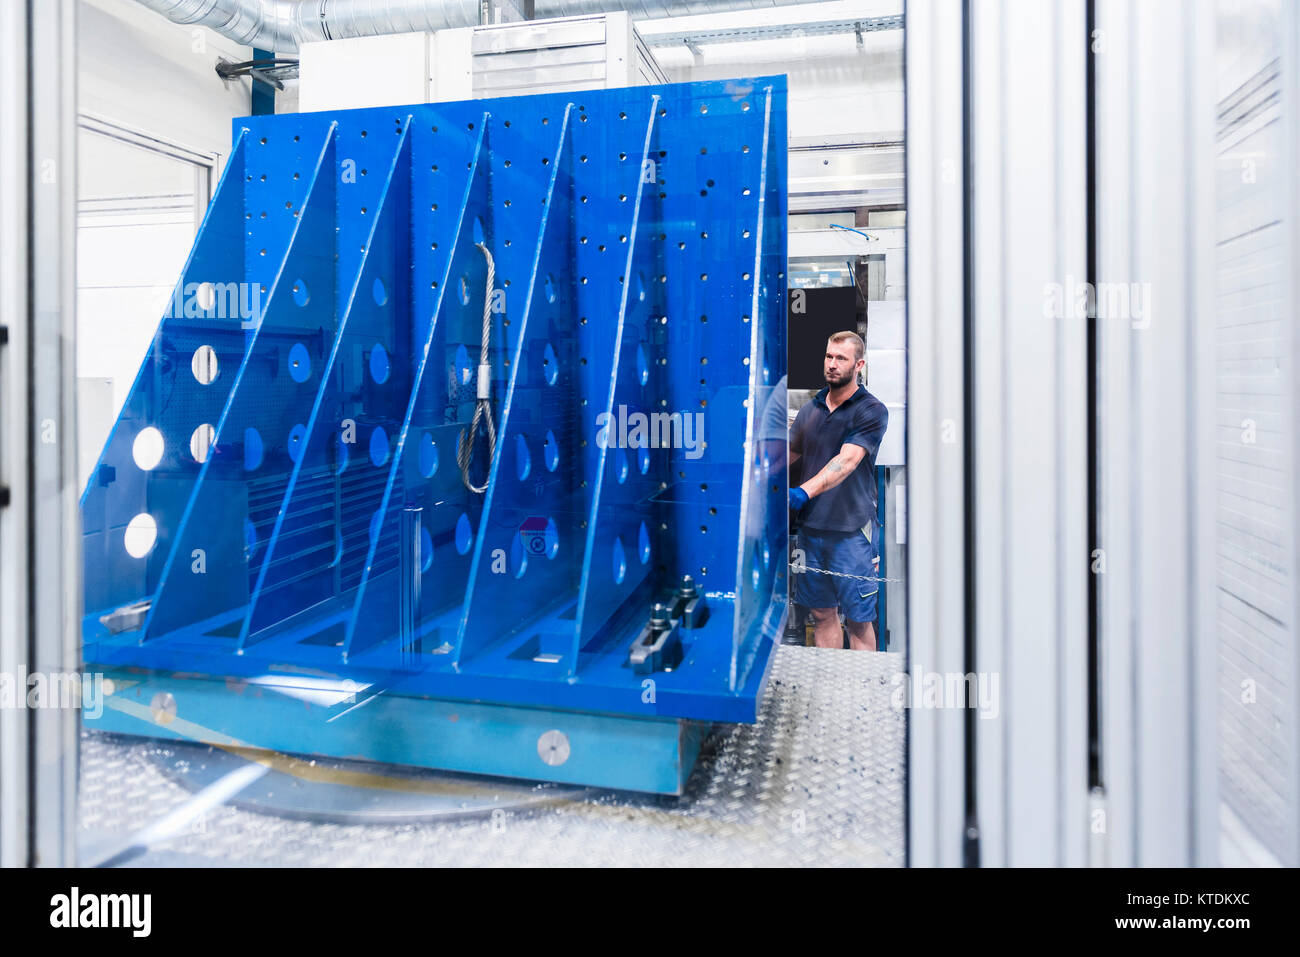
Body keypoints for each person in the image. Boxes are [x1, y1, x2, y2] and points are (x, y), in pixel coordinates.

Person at [788, 331, 888, 650]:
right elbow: (786, 456)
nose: (832, 364)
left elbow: (846, 461)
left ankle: (865, 695)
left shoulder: (870, 410)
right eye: (829, 356)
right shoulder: (810, 410)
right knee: (821, 614)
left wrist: (802, 492)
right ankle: (825, 684)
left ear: (858, 364)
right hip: (812, 531)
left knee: (859, 620)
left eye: (841, 358)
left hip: (851, 534)